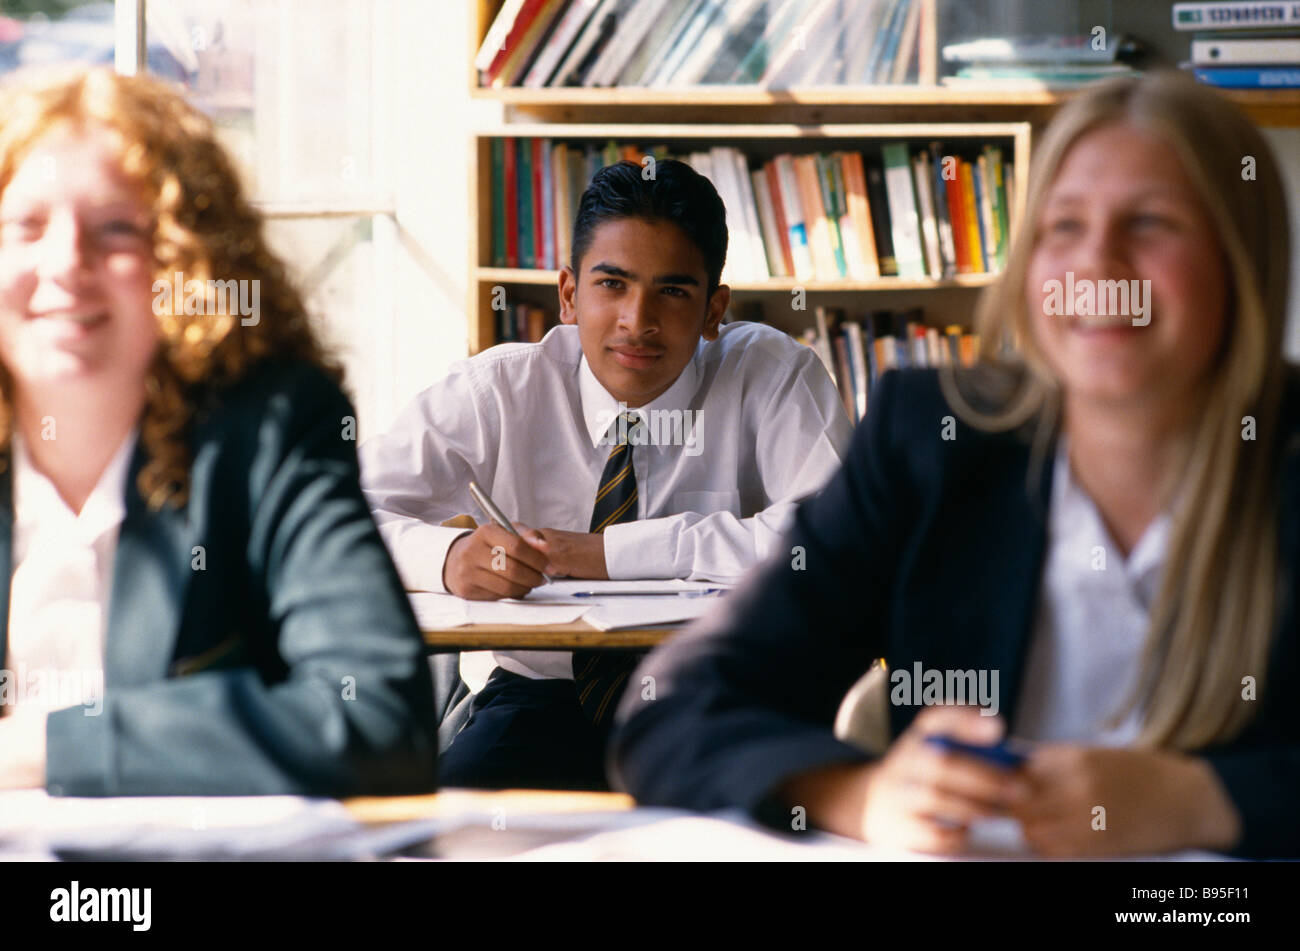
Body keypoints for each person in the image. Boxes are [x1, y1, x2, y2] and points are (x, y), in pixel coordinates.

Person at [610, 72, 1300, 859]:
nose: (1097, 266)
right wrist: (862, 795)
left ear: (1242, 255)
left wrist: (1197, 799)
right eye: (1063, 227)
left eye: (1150, 224)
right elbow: (673, 707)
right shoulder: (929, 440)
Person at [0, 67, 438, 796]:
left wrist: (52, 746)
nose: (65, 264)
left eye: (116, 230)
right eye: (26, 226)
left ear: (185, 263)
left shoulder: (269, 431)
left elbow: (382, 720)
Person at [360, 159, 852, 789]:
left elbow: (832, 539)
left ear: (712, 308)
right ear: (568, 294)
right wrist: (449, 555)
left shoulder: (773, 374)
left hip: (722, 695)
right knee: (454, 830)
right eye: (611, 285)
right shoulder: (498, 391)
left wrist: (610, 554)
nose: (636, 320)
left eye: (672, 291)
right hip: (543, 701)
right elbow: (341, 516)